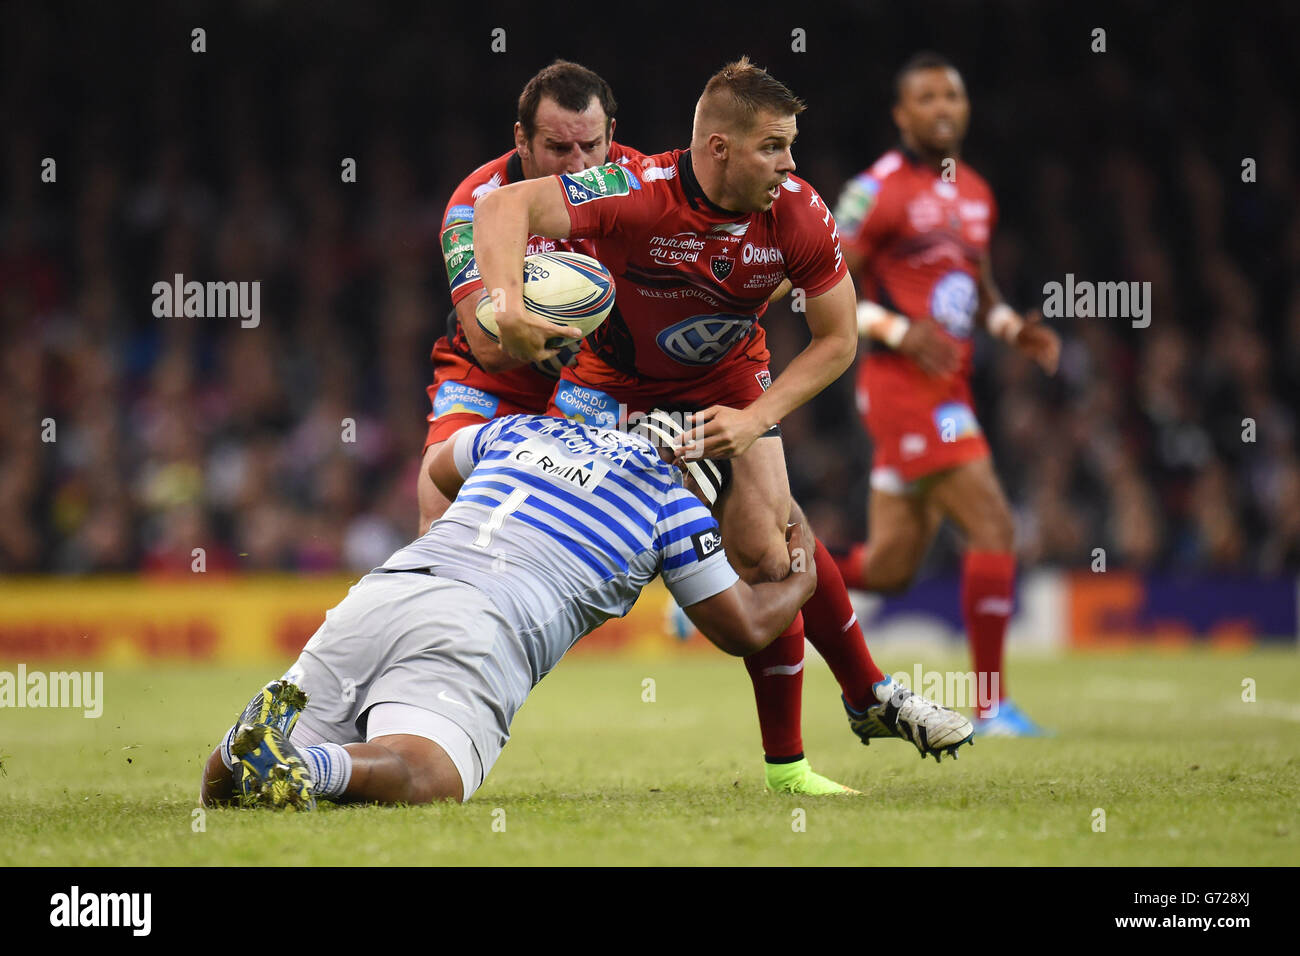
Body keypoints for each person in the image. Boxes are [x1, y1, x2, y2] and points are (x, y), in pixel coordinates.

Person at [472, 57, 973, 792]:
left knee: (771, 552)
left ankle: (796, 764)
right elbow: (501, 209)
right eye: (773, 145)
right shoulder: (634, 192)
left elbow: (838, 339)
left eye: (790, 144)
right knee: (546, 554)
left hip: (726, 383)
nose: (789, 162)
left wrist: (757, 418)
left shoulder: (800, 212)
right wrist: (509, 307)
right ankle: (868, 693)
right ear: (718, 150)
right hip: (607, 388)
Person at [199, 412, 818, 808]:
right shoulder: (671, 503)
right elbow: (746, 628)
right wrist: (803, 577)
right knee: (428, 773)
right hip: (481, 623)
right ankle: (309, 765)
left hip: (386, 587)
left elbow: (439, 466)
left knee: (221, 793)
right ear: (702, 479)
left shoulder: (524, 429)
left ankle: (247, 746)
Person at [830, 52, 1062, 735]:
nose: (941, 108)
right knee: (993, 524)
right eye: (926, 98)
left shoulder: (978, 193)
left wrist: (1011, 326)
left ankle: (758, 580)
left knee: (891, 567)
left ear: (965, 108)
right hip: (904, 387)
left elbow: (977, 290)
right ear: (902, 114)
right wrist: (900, 332)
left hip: (947, 385)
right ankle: (991, 706)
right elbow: (828, 289)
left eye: (952, 97)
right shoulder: (875, 191)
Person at [419, 60, 643, 535]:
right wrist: (540, 320)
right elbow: (486, 347)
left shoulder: (641, 182)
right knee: (438, 500)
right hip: (489, 381)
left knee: (566, 526)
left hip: (600, 381)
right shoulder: (473, 203)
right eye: (558, 148)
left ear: (612, 134)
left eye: (592, 146)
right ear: (522, 139)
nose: (579, 166)